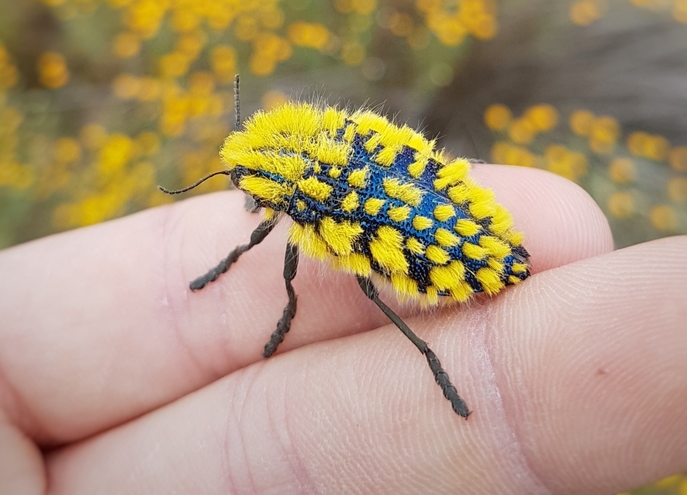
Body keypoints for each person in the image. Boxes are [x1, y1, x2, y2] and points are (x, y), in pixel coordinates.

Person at [0, 164, 685, 495]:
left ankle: (427, 357)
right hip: (415, 233)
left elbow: (273, 246)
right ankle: (421, 353)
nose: (247, 199)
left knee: (357, 283)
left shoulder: (300, 205)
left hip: (426, 246)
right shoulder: (299, 192)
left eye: (250, 188)